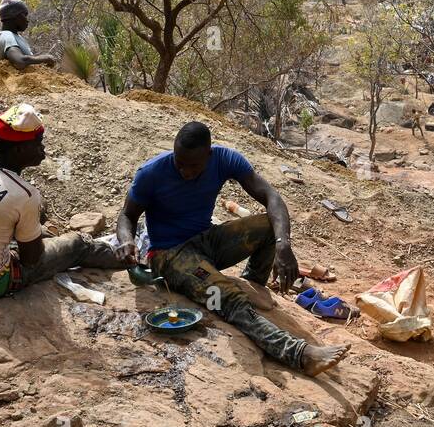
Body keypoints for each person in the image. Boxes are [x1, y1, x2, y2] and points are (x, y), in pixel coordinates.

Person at [116, 121, 348, 376]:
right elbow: (127, 215)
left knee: (271, 225)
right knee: (224, 294)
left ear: (209, 154)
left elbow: (272, 197)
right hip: (170, 254)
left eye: (193, 166)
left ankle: (253, 286)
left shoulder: (224, 158)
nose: (184, 171)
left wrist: (284, 245)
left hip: (207, 240)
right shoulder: (151, 173)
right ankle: (299, 354)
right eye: (179, 163)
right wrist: (126, 241)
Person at [0, 103, 131, 301]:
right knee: (77, 244)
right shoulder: (24, 195)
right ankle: (126, 259)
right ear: (19, 150)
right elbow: (31, 259)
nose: (42, 148)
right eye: (38, 142)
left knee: (25, 225)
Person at [0, 0, 56, 71]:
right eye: (24, 15)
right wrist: (46, 58)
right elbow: (20, 61)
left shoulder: (11, 36)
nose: (27, 20)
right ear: (14, 15)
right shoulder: (6, 35)